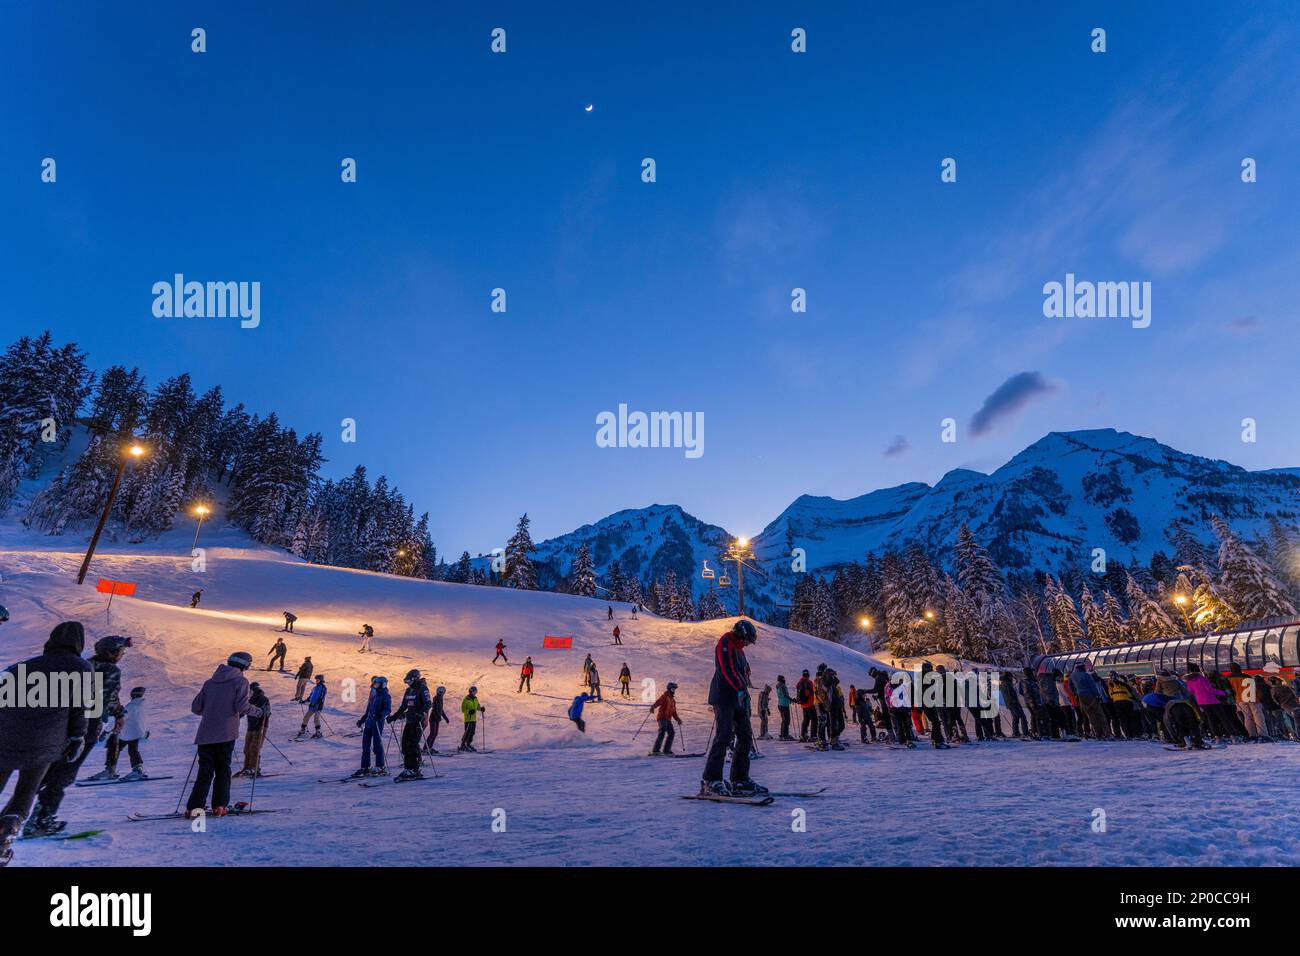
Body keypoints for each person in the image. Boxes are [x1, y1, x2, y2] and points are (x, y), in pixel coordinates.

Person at [0, 622, 91, 863]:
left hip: (6, 738)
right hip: (45, 743)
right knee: (27, 790)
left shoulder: (23, 667)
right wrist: (77, 737)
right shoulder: (81, 668)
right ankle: (6, 833)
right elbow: (79, 708)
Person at [28, 635, 130, 835]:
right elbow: (107, 698)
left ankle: (28, 815)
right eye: (120, 651)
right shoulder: (109, 670)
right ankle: (41, 820)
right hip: (87, 726)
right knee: (65, 773)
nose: (122, 655)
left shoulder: (83, 665)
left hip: (64, 724)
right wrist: (118, 714)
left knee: (52, 771)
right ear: (111, 652)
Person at [186, 652, 262, 817]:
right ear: (245, 666)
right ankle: (219, 806)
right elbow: (242, 706)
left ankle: (194, 808)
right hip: (226, 733)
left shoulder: (210, 682)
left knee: (204, 771)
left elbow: (196, 708)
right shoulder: (241, 681)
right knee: (223, 769)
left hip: (205, 734)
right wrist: (259, 712)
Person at [701, 619, 765, 797]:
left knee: (745, 736)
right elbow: (727, 670)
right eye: (747, 640)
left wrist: (744, 691)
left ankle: (739, 779)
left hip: (737, 698)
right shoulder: (726, 642)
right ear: (741, 634)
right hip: (723, 696)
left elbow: (743, 673)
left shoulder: (740, 650)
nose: (747, 644)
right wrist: (739, 688)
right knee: (724, 736)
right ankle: (711, 779)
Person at [99, 686, 150, 781]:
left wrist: (105, 731)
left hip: (129, 734)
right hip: (136, 733)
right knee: (131, 749)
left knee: (116, 748)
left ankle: (111, 771)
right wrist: (145, 732)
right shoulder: (143, 706)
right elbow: (141, 720)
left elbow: (118, 720)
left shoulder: (131, 706)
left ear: (133, 695)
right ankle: (136, 769)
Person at [387, 670, 430, 779]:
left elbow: (428, 703)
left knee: (412, 745)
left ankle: (414, 770)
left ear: (415, 678)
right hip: (409, 721)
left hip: (417, 721)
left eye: (409, 680)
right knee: (405, 745)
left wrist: (422, 713)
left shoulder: (422, 688)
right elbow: (403, 706)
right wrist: (394, 717)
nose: (408, 683)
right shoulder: (408, 690)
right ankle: (408, 769)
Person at [349, 676, 390, 778]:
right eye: (374, 683)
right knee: (365, 745)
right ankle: (365, 767)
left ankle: (380, 766)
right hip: (369, 722)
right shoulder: (373, 693)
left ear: (382, 684)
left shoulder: (385, 695)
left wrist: (380, 715)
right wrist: (363, 719)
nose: (375, 685)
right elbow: (369, 708)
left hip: (377, 723)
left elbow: (388, 709)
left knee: (377, 744)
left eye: (377, 683)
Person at [234, 682, 271, 777]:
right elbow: (243, 711)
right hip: (250, 726)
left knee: (255, 747)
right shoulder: (249, 700)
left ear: (255, 690)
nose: (248, 693)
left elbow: (267, 712)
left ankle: (254, 768)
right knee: (247, 748)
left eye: (250, 691)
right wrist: (235, 717)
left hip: (260, 726)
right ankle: (247, 767)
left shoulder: (263, 699)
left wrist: (264, 713)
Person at [1069, 662, 1112, 740]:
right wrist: (1097, 695)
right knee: (1099, 714)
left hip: (1081, 697)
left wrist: (1076, 693)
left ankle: (1098, 733)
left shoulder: (1072, 676)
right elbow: (1092, 686)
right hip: (1091, 696)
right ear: (1081, 667)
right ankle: (1106, 732)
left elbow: (1070, 687)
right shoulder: (1086, 675)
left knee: (1091, 715)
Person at [1228, 662, 1268, 741]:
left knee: (1247, 717)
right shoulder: (1248, 677)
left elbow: (1230, 690)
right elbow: (1256, 688)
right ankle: (1263, 734)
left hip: (1240, 699)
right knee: (1258, 716)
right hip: (1253, 698)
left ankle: (1251, 734)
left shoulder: (1229, 678)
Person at [650, 683, 682, 755]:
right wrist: (653, 707)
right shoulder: (664, 696)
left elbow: (674, 712)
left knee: (672, 733)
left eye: (674, 689)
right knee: (662, 731)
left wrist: (678, 719)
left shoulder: (673, 701)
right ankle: (656, 750)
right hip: (662, 717)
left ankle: (666, 750)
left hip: (668, 719)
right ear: (669, 689)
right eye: (672, 689)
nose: (673, 691)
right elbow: (658, 702)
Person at [1000, 671, 1029, 738]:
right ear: (1008, 677)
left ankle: (1016, 732)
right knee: (1022, 717)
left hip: (1011, 703)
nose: (1011, 678)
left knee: (1015, 718)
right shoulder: (1007, 684)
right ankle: (1025, 732)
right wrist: (1014, 702)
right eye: (1010, 677)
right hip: (1013, 703)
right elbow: (1010, 695)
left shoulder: (1004, 684)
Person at [459, 686, 485, 751]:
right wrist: (469, 711)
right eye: (474, 691)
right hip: (468, 719)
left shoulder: (475, 699)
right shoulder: (466, 699)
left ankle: (468, 744)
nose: (475, 693)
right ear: (471, 691)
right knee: (467, 732)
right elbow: (463, 709)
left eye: (476, 691)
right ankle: (463, 744)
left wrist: (481, 708)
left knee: (472, 732)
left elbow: (477, 706)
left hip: (473, 719)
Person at [426, 686, 451, 752]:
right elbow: (435, 709)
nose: (441, 693)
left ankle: (429, 747)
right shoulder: (436, 698)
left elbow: (441, 710)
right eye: (440, 692)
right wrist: (438, 716)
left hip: (437, 719)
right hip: (433, 718)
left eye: (442, 692)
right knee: (432, 734)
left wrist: (445, 718)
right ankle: (426, 748)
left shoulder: (440, 699)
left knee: (435, 734)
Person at [796, 669, 816, 741]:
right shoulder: (809, 682)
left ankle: (803, 735)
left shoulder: (799, 682)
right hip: (810, 703)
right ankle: (813, 736)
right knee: (814, 719)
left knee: (806, 720)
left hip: (803, 704)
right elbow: (810, 692)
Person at [775, 675, 794, 739]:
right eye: (783, 679)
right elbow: (785, 695)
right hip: (784, 704)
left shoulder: (779, 686)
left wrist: (790, 700)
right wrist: (790, 699)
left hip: (781, 704)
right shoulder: (782, 686)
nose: (784, 680)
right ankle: (785, 735)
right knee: (786, 720)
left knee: (784, 720)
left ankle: (783, 734)